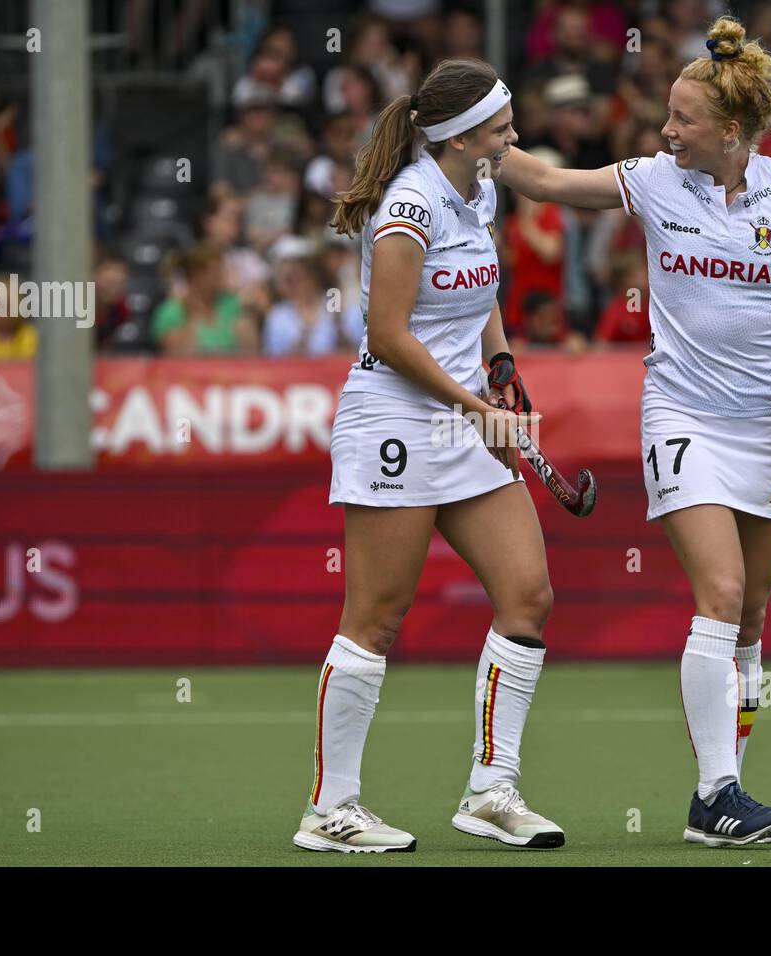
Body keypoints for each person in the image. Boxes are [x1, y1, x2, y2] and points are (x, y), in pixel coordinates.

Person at [500, 14, 771, 847]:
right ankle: (714, 794)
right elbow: (548, 184)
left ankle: (727, 789)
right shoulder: (656, 181)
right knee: (722, 595)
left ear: (730, 131)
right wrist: (471, 136)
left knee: (755, 615)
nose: (666, 132)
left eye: (681, 120)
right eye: (666, 117)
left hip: (764, 424)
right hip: (683, 416)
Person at [292, 58, 565, 854]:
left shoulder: (477, 189)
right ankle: (330, 807)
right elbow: (388, 335)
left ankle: (491, 790)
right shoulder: (408, 205)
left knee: (529, 596)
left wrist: (503, 365)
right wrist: (481, 410)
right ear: (458, 136)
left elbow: (477, 297)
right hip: (396, 420)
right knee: (376, 618)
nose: (512, 138)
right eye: (500, 128)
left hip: (463, 417)